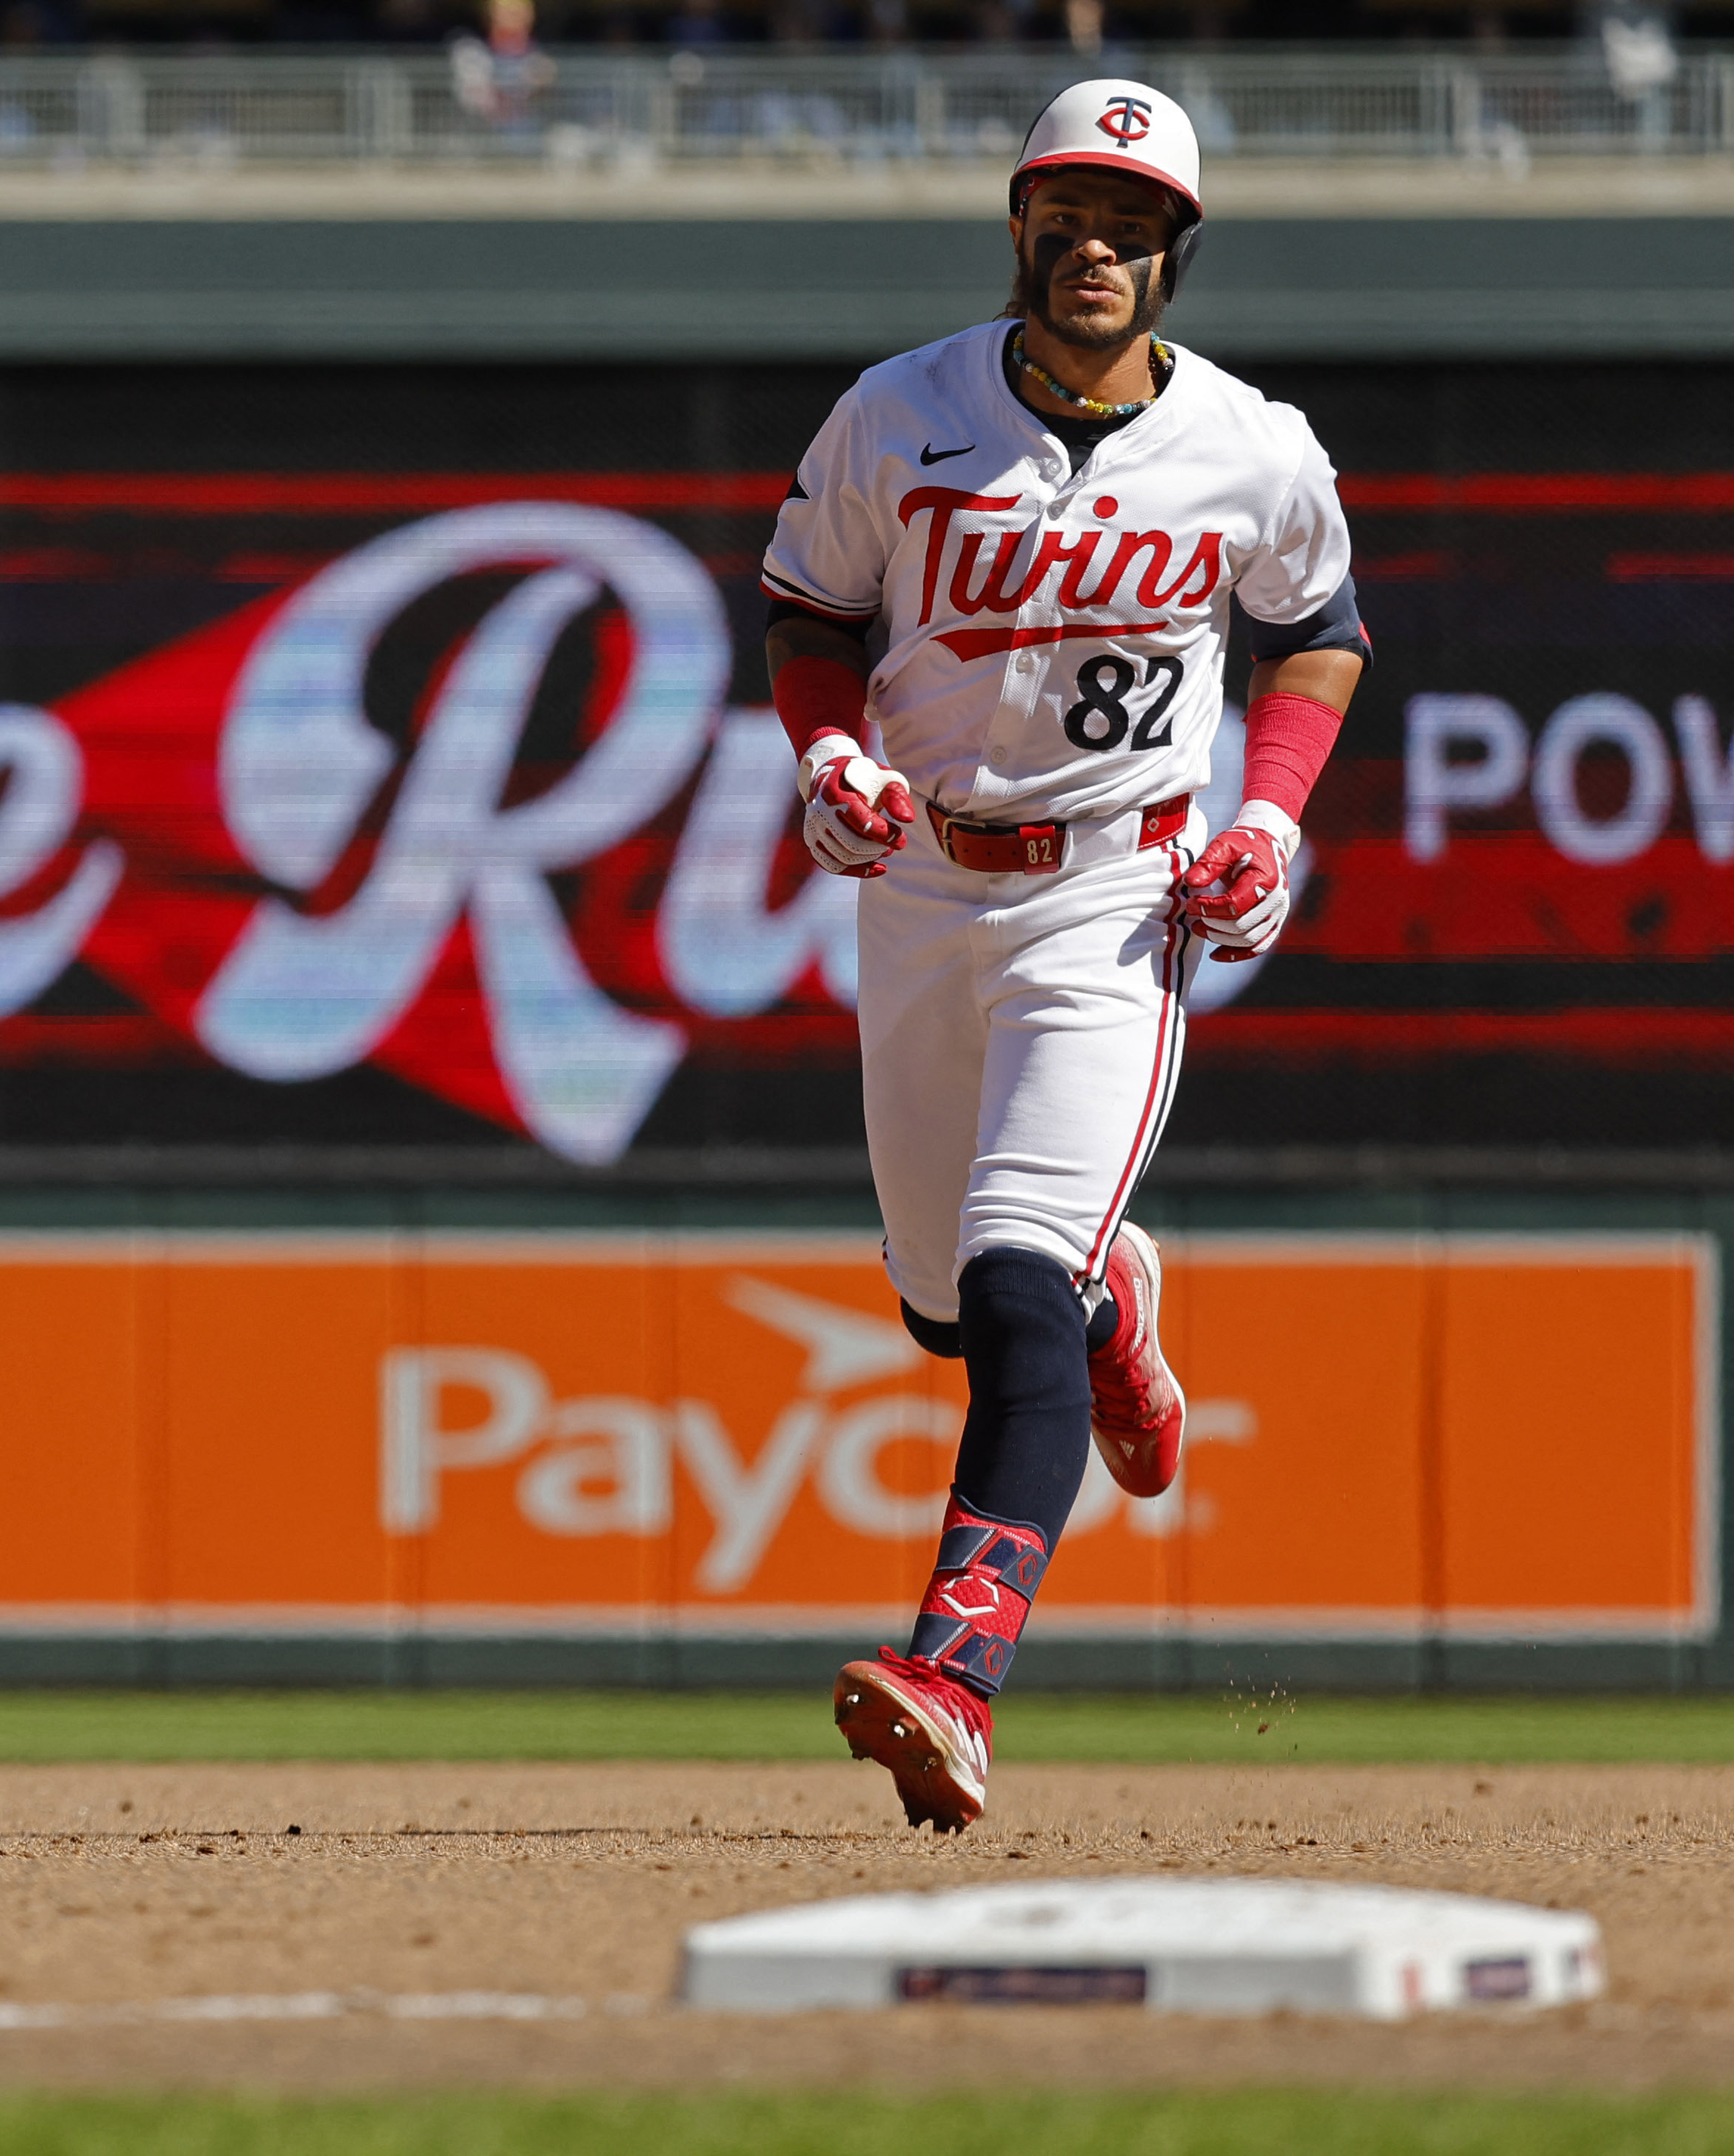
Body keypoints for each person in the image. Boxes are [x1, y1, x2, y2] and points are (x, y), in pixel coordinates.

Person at [755, 77, 1369, 1831]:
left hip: (1118, 900)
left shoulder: (1252, 443)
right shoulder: (900, 412)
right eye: (1069, 212)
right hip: (923, 886)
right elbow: (810, 611)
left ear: (1177, 251)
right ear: (1018, 225)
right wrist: (826, 753)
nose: (1097, 244)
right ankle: (1120, 1311)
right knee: (947, 1308)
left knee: (1014, 1277)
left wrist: (1272, 817)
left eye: (1135, 221)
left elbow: (1314, 637)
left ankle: (955, 1673)